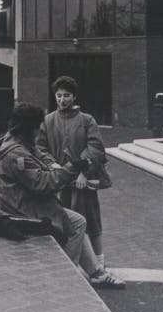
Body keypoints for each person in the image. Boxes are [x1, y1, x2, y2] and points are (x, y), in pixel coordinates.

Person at [0, 102, 124, 288]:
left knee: (76, 220)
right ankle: (63, 275)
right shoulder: (17, 154)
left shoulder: (17, 141)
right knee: (76, 224)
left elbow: (39, 154)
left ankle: (96, 273)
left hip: (21, 201)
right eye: (37, 127)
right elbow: (44, 184)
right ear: (28, 128)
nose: (39, 131)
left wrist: (53, 165)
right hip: (22, 208)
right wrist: (71, 168)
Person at [37, 75, 111, 270]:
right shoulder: (48, 120)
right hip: (59, 181)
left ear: (75, 97)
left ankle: (99, 262)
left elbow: (95, 148)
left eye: (67, 95)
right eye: (59, 95)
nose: (62, 100)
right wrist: (52, 165)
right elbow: (41, 147)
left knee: (92, 220)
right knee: (64, 221)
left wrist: (84, 173)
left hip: (82, 182)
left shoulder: (87, 120)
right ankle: (71, 261)